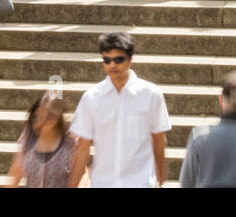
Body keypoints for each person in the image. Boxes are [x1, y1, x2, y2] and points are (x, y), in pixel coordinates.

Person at [69, 31, 171, 188]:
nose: (112, 65)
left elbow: (159, 139)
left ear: (130, 59)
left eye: (118, 59)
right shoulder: (91, 98)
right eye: (107, 60)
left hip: (140, 183)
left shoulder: (151, 95)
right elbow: (83, 147)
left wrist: (161, 181)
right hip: (103, 183)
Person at [7, 93, 80, 188]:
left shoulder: (70, 143)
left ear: (57, 118)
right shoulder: (27, 139)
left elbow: (81, 176)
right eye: (37, 117)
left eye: (47, 118)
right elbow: (14, 176)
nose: (40, 123)